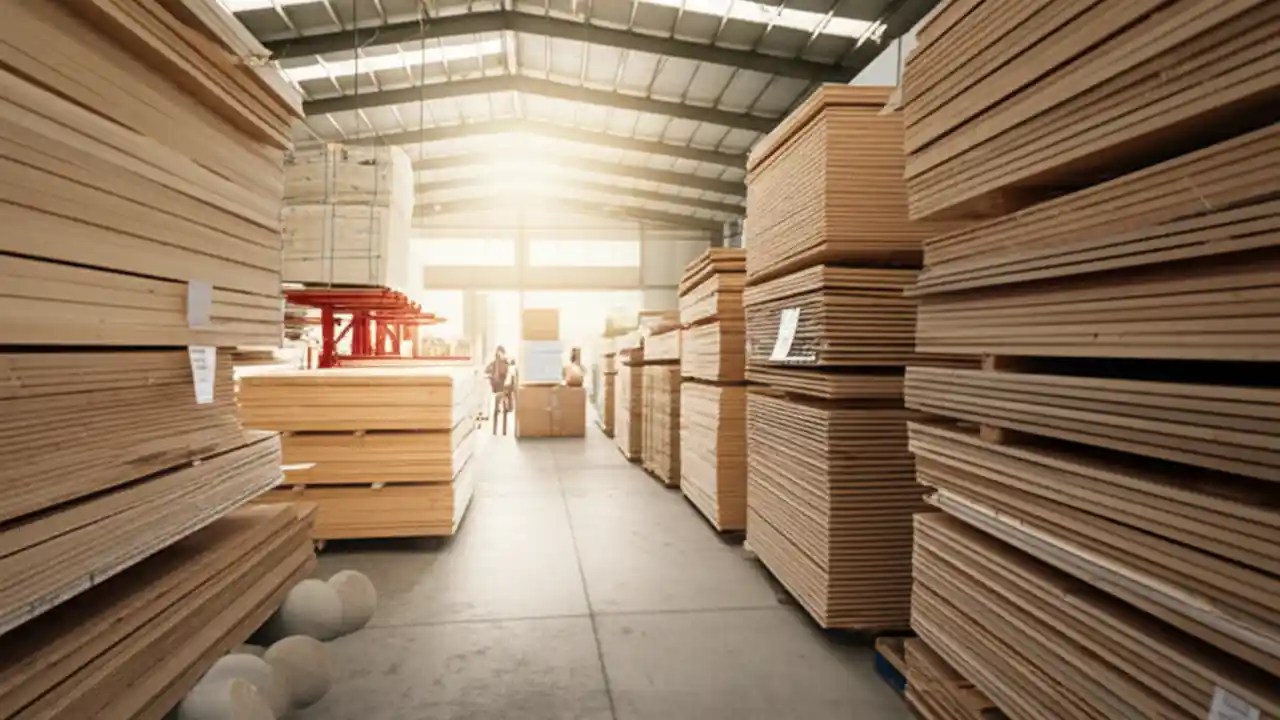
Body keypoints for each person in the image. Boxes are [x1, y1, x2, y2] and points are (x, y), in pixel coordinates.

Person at [485, 346, 512, 435]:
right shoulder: (494, 363)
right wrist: (490, 375)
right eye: (498, 353)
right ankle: (495, 429)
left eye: (501, 353)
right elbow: (487, 370)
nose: (499, 355)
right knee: (496, 410)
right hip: (495, 388)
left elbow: (506, 373)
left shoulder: (505, 364)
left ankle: (501, 430)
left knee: (500, 408)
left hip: (502, 388)